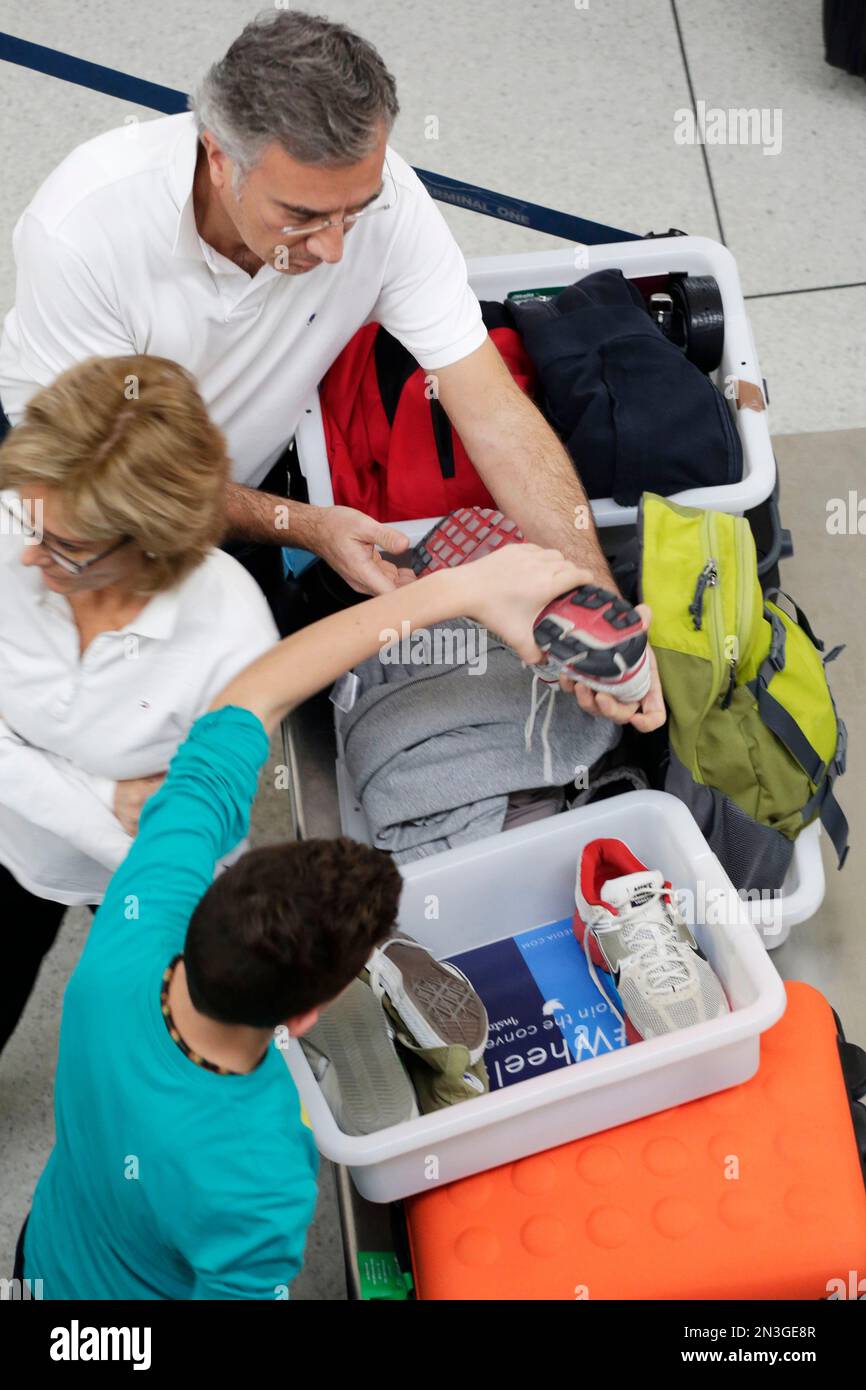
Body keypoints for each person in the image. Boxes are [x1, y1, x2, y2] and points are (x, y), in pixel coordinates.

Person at [0, 8, 663, 733]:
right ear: (219, 158)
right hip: (90, 494)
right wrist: (305, 527)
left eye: (358, 209)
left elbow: (494, 414)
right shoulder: (85, 232)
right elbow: (111, 482)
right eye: (303, 216)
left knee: (236, 685)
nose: (337, 249)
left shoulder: (391, 211)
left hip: (239, 492)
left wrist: (593, 596)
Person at [14, 538, 589, 1300]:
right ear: (310, 1012)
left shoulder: (130, 930)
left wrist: (465, 589)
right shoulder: (263, 1168)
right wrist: (468, 586)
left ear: (210, 896)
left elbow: (249, 698)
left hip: (48, 1256)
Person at [0, 353, 279, 1055]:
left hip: (140, 882)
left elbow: (195, 843)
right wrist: (101, 796)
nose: (31, 557)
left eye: (64, 547)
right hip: (15, 844)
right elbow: (146, 822)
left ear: (155, 545)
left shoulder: (234, 639)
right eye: (30, 522)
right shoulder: (20, 524)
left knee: (153, 1040)